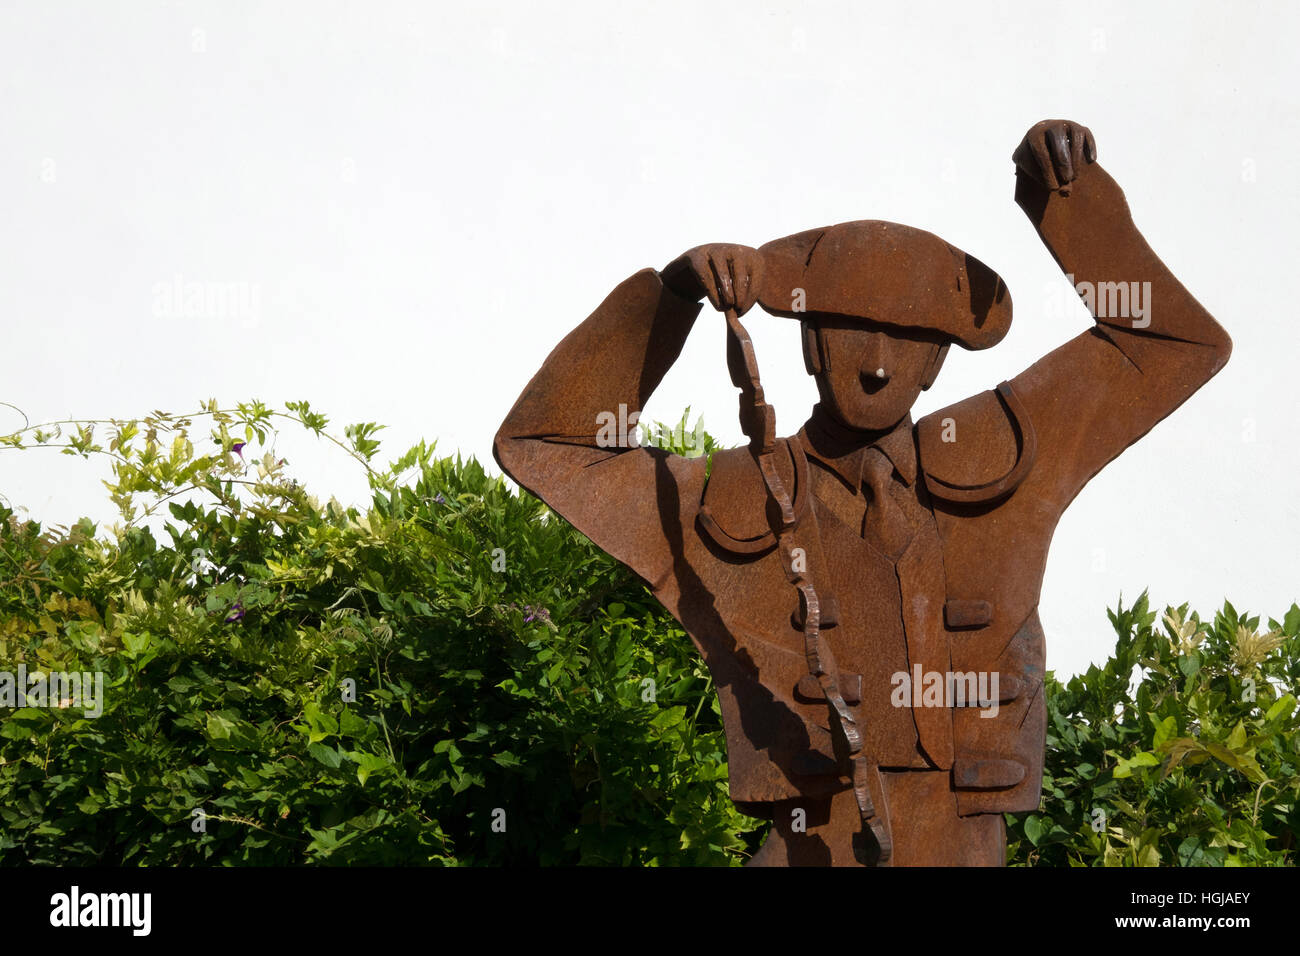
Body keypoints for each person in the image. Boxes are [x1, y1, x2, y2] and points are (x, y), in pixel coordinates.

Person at [494, 119, 1231, 865]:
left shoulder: (1007, 453)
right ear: (811, 341)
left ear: (938, 360)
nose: (878, 366)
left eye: (908, 338)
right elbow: (548, 445)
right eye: (850, 331)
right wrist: (673, 298)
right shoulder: (733, 497)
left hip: (965, 843)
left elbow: (1170, 345)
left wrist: (1064, 204)